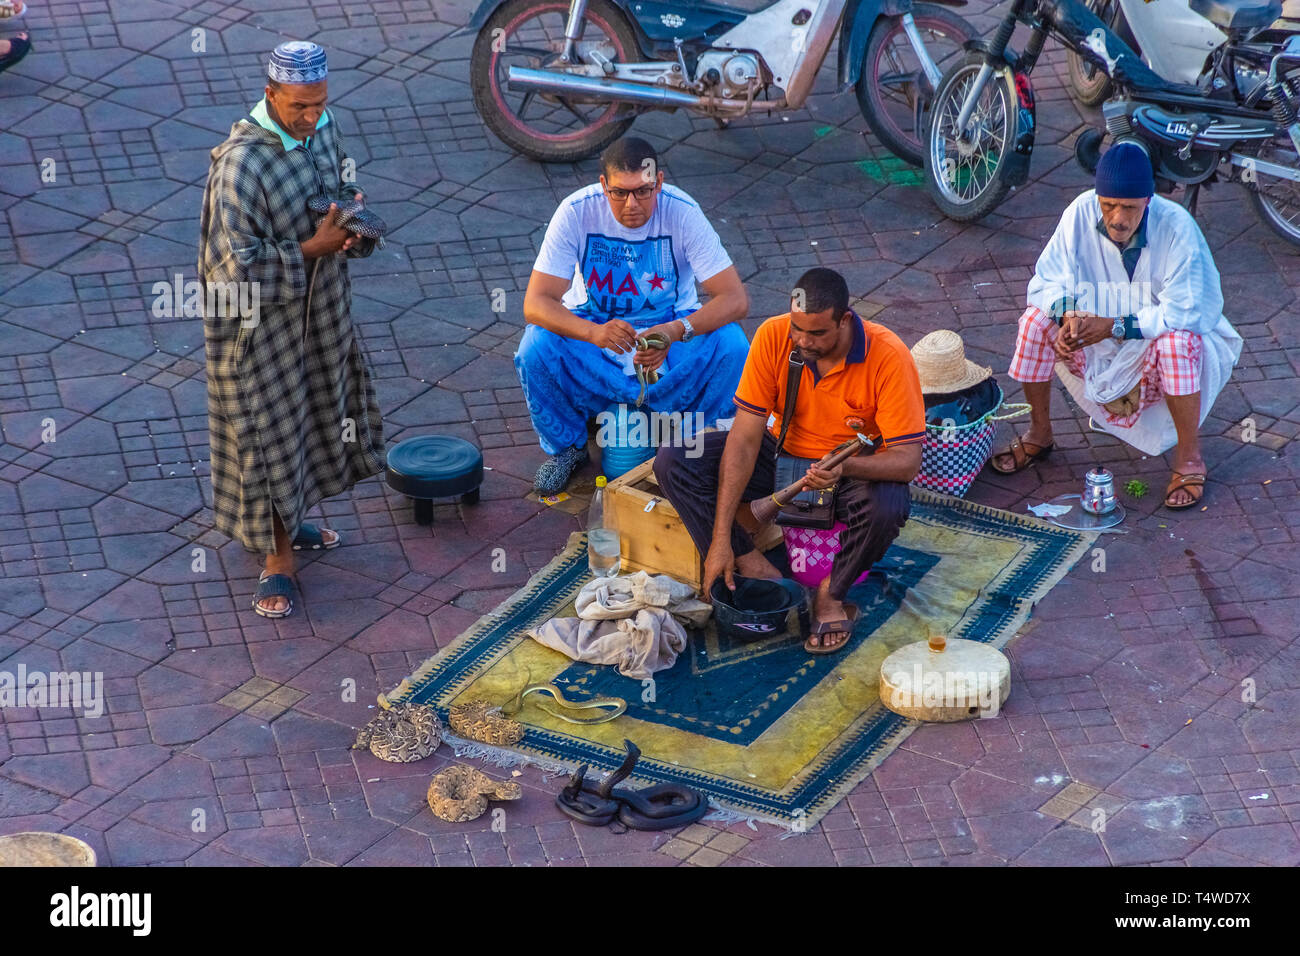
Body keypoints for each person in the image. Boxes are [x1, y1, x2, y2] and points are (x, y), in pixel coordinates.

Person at [199, 41, 385, 618]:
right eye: (298, 107)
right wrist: (313, 247)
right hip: (261, 330)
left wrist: (348, 218)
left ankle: (293, 524)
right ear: (270, 95)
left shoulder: (324, 127)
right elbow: (230, 266)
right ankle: (278, 560)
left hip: (321, 311)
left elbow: (333, 190)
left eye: (319, 105)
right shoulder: (240, 165)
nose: (310, 119)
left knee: (311, 419)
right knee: (268, 433)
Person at [654, 268, 925, 654]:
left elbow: (907, 462)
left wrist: (845, 467)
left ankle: (832, 594)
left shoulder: (889, 355)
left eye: (816, 334)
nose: (802, 341)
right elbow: (745, 437)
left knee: (889, 504)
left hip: (846, 471)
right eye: (798, 329)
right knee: (674, 460)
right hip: (782, 454)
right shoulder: (774, 334)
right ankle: (748, 560)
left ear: (845, 320)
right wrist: (720, 541)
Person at [991, 141, 1241, 510]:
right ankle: (1039, 433)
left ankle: (1189, 459)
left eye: (1129, 207)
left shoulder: (1177, 227)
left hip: (1151, 343)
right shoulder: (1079, 212)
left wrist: (1115, 326)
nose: (1118, 218)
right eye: (1109, 206)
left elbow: (1189, 310)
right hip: (1097, 337)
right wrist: (1068, 316)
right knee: (1033, 323)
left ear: (1148, 201)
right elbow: (1047, 280)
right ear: (1098, 198)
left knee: (1177, 343)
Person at [517, 136, 750, 495]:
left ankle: (697, 445)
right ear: (603, 186)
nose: (632, 205)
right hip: (596, 330)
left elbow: (734, 299)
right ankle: (568, 448)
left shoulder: (683, 211)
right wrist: (592, 333)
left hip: (669, 332)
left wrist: (675, 330)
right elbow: (536, 303)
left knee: (732, 344)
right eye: (619, 193)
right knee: (535, 345)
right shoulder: (575, 211)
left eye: (643, 192)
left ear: (658, 182)